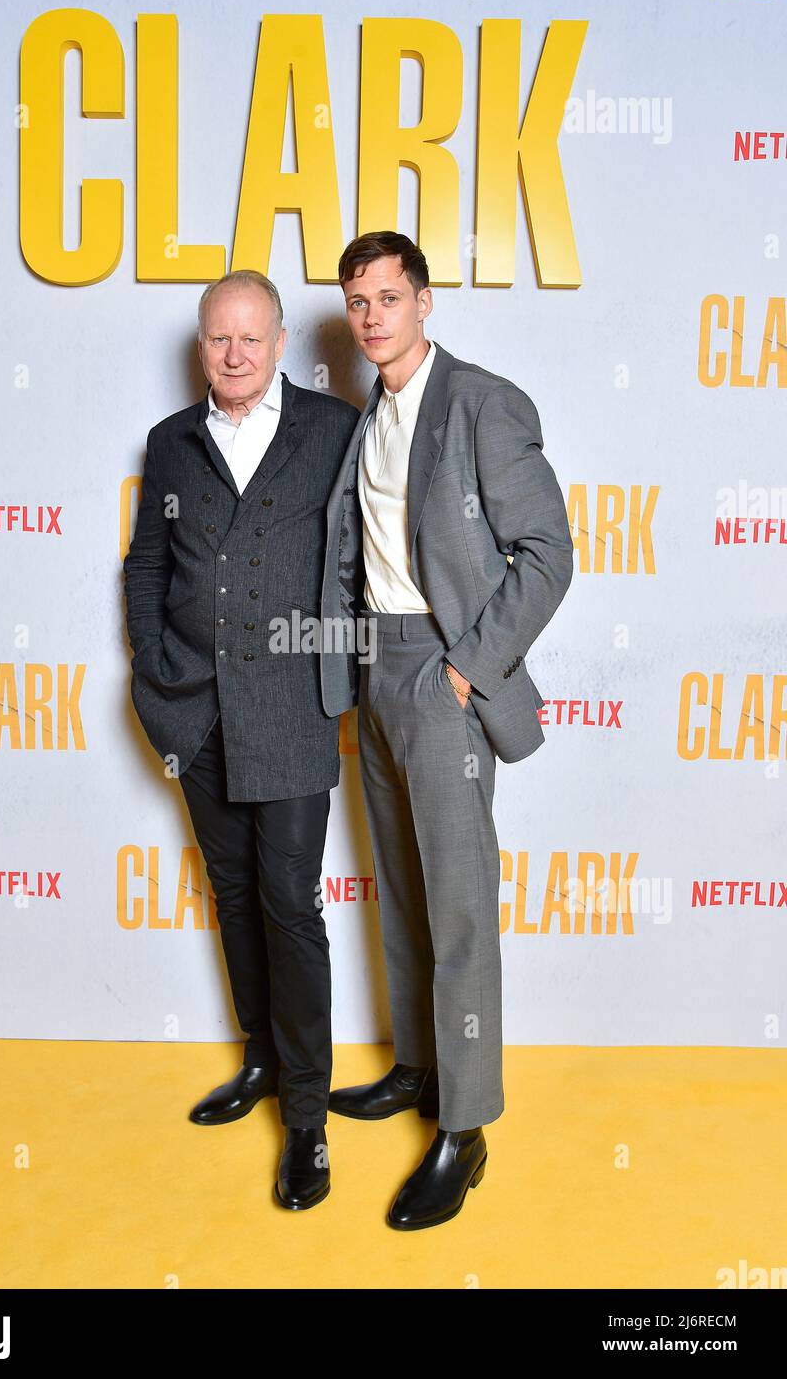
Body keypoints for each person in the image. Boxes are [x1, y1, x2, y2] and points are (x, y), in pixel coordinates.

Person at [319, 232, 574, 1229]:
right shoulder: (370, 416)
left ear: (424, 302)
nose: (371, 317)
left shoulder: (480, 402)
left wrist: (465, 667)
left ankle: (464, 1130)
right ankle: (418, 1069)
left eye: (389, 297)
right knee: (401, 888)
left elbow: (547, 553)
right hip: (377, 668)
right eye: (358, 302)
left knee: (459, 903)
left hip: (442, 666)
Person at [124, 270, 358, 1211]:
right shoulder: (170, 443)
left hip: (293, 711)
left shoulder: (334, 430)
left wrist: (344, 665)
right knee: (231, 895)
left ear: (280, 342)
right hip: (193, 709)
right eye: (219, 339)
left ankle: (307, 1119)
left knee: (288, 905)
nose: (234, 354)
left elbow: (367, 559)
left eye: (251, 338)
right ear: (201, 346)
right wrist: (152, 662)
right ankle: (261, 1060)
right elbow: (147, 563)